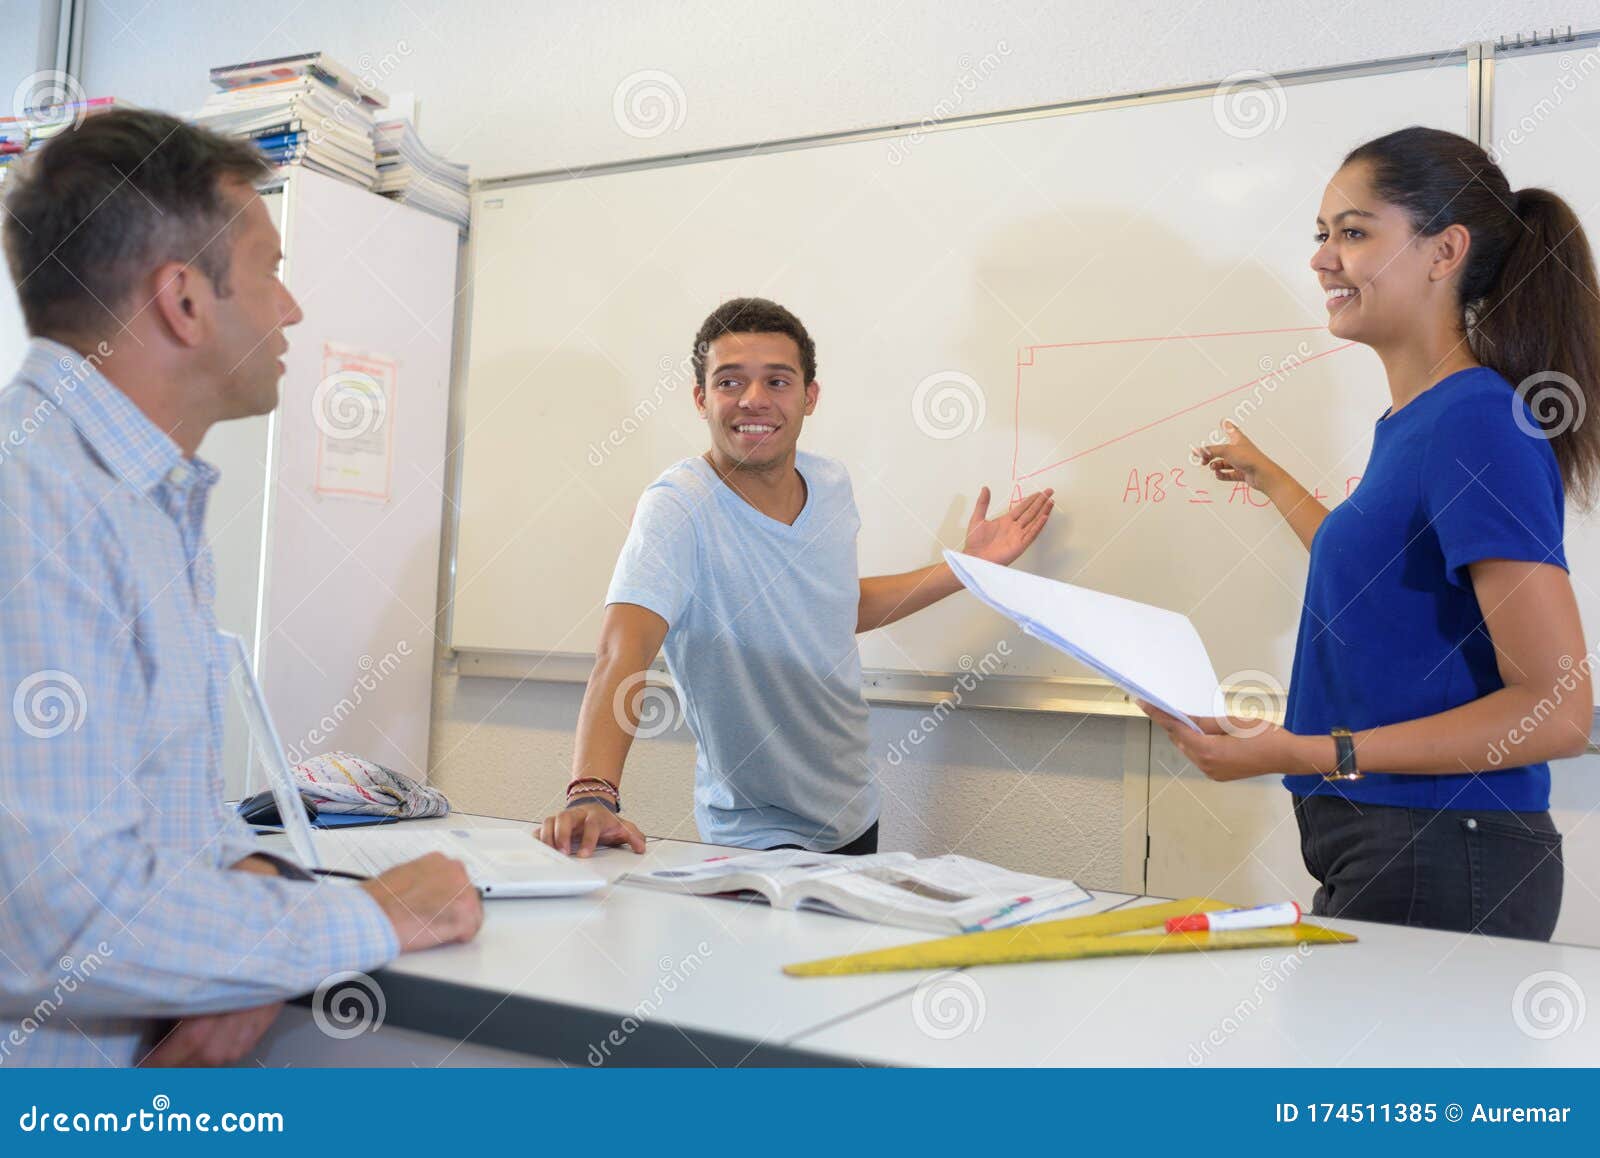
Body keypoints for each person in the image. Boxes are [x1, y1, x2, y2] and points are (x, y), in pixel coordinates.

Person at [0, 109, 483, 1067]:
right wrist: (368, 919)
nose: (291, 309)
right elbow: (49, 920)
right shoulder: (36, 507)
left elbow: (157, 818)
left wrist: (258, 923)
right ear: (183, 300)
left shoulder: (139, 497)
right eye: (270, 271)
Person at [1141, 125, 1599, 941]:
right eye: (1322, 235)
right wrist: (1272, 480)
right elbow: (1384, 578)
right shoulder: (1419, 422)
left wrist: (1309, 751)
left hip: (1445, 849)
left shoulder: (1476, 421)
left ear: (1444, 251)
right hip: (1395, 844)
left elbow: (1558, 711)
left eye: (1353, 234)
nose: (1322, 259)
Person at [537, 298, 1053, 857]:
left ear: (810, 396)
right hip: (752, 834)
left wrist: (964, 567)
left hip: (853, 812)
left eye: (777, 381)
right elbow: (623, 649)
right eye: (730, 381)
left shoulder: (830, 484)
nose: (753, 399)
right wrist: (592, 794)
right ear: (701, 398)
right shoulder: (678, 506)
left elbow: (834, 606)